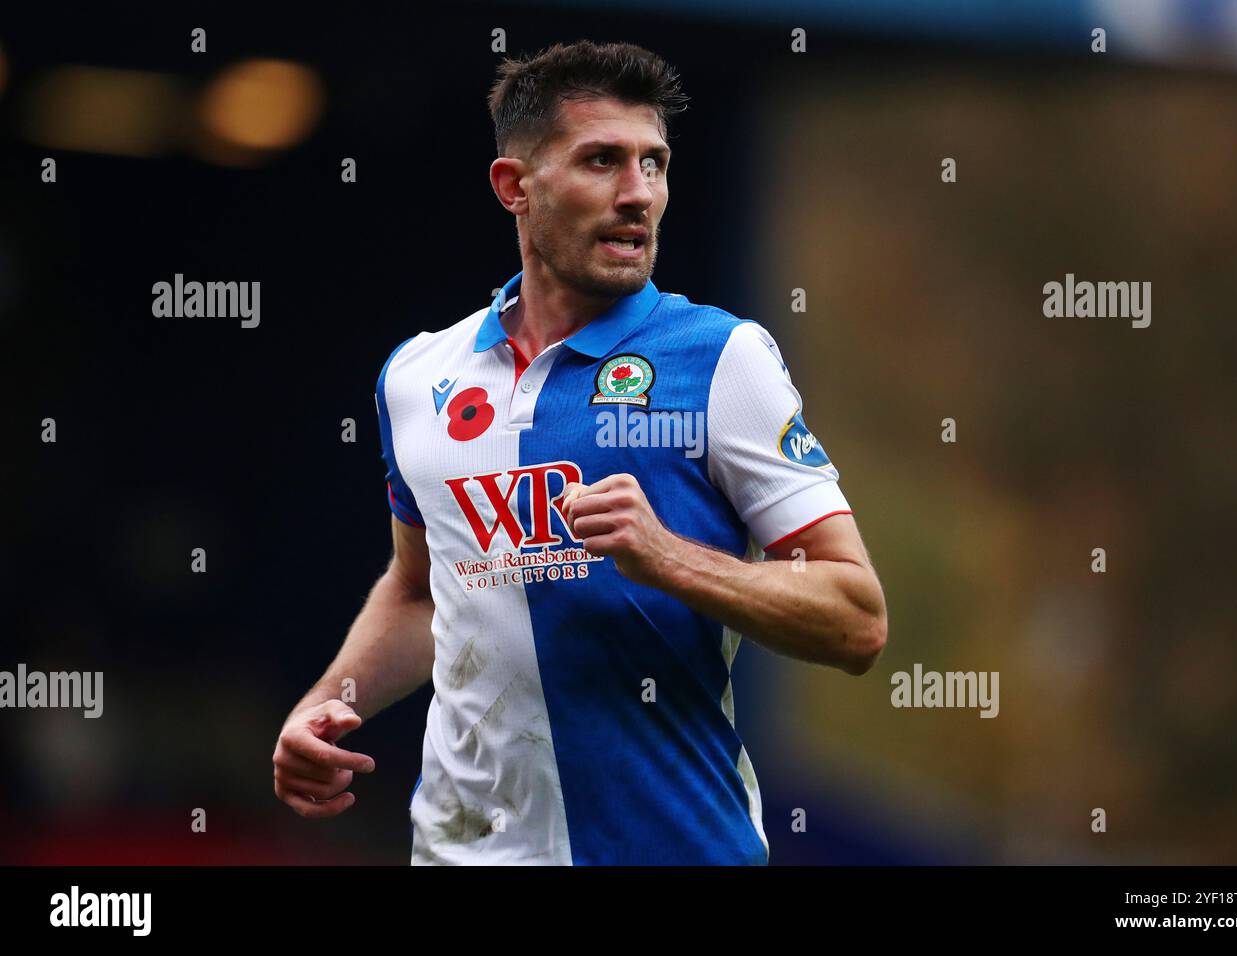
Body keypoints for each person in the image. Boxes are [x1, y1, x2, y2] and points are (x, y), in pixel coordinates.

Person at [273, 39, 887, 865]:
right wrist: (327, 702)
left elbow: (856, 619)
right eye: (602, 161)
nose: (639, 195)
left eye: (654, 163)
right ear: (514, 189)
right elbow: (423, 593)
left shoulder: (722, 359)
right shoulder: (420, 374)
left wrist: (670, 558)